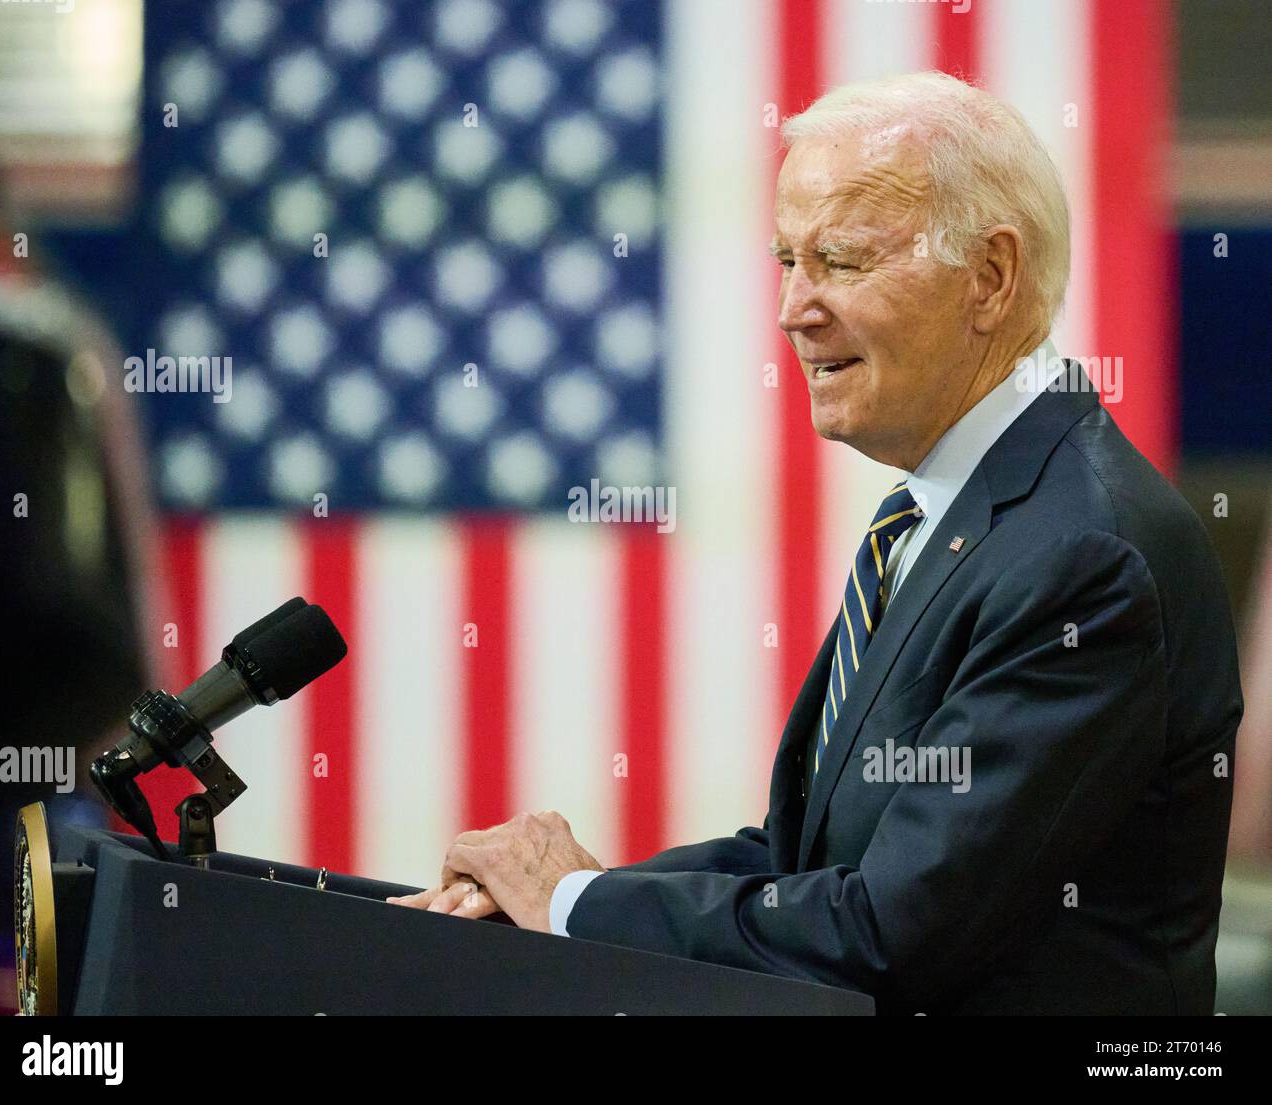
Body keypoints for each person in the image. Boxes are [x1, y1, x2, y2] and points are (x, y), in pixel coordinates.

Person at [390, 71, 1243, 1015]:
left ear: (990, 279)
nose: (794, 308)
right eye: (785, 261)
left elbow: (891, 932)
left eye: (839, 261)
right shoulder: (941, 519)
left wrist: (573, 901)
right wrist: (559, 902)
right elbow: (803, 860)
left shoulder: (1084, 553)